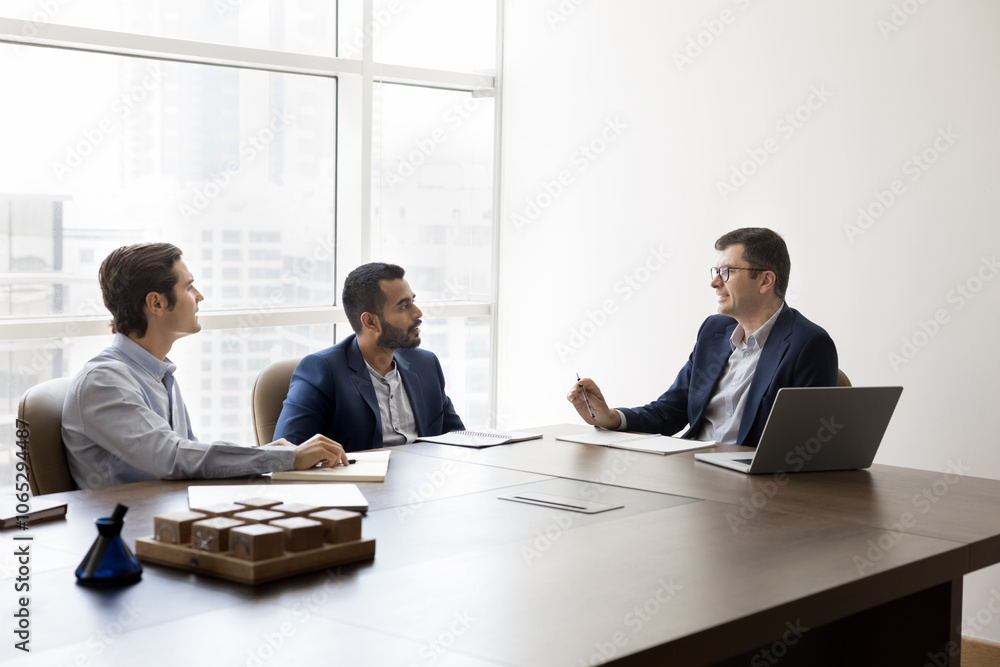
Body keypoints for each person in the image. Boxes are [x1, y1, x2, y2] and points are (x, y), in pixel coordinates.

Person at [63, 243, 348, 490]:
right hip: (130, 538)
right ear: (157, 303)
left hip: (170, 518)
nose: (199, 296)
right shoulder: (105, 382)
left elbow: (191, 454)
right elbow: (172, 457)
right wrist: (285, 458)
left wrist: (268, 453)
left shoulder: (159, 374)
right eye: (188, 287)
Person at [567, 228, 837, 447]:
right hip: (691, 470)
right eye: (716, 272)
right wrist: (612, 417)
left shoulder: (808, 344)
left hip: (751, 489)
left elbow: (804, 447)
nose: (715, 282)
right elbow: (671, 410)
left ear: (765, 281)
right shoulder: (714, 331)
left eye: (727, 272)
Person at [273, 262, 464, 451]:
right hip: (360, 481)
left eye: (413, 301)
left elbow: (459, 442)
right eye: (404, 306)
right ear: (371, 322)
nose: (418, 312)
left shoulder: (426, 365)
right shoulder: (321, 371)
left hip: (426, 478)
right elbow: (285, 455)